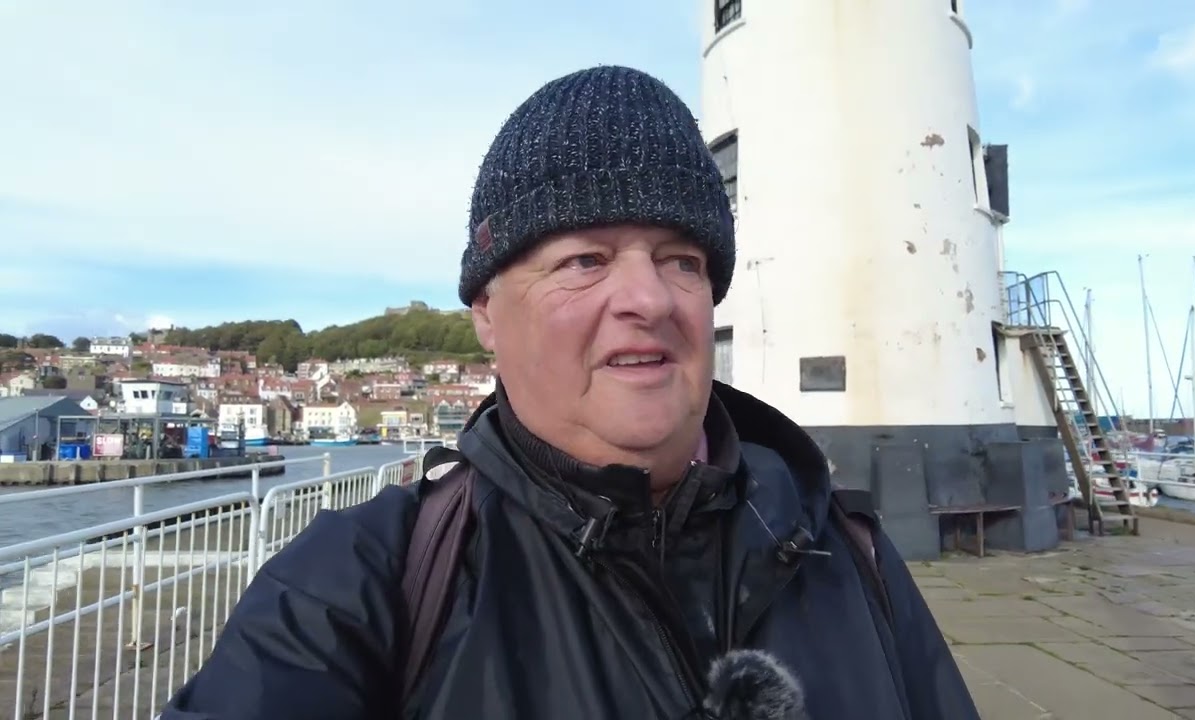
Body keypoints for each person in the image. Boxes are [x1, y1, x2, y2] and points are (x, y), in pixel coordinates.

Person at [162, 65, 979, 720]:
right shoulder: (356, 588)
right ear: (486, 311)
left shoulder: (847, 551)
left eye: (682, 260)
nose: (651, 300)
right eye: (585, 260)